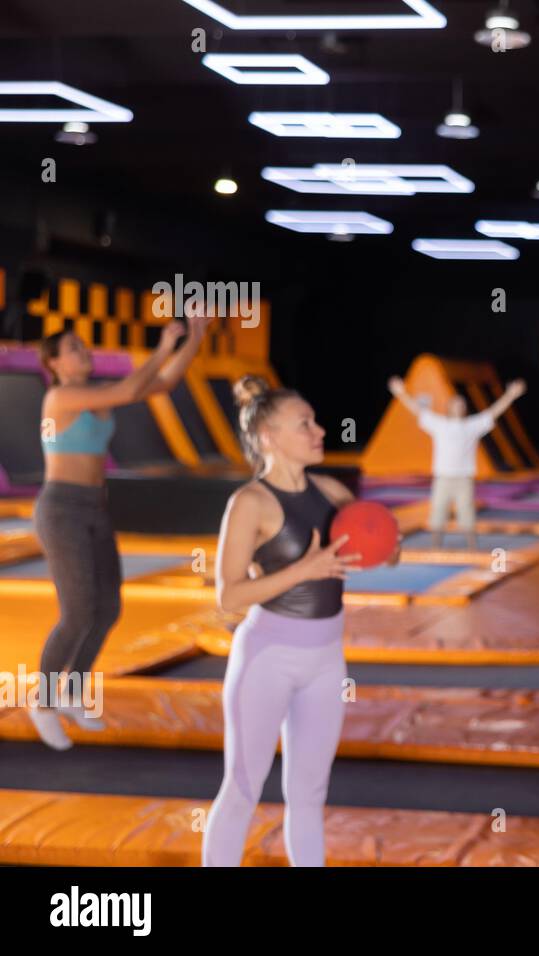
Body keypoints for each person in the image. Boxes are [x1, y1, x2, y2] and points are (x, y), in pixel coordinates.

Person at [203, 375, 397, 867]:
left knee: (309, 794)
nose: (319, 430)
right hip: (267, 657)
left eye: (315, 421)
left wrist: (387, 547)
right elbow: (228, 596)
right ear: (269, 437)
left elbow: (378, 549)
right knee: (243, 788)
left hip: (326, 660)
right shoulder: (249, 503)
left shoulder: (332, 490)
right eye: (305, 424)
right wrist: (302, 571)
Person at [29, 309, 209, 750]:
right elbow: (132, 386)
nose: (83, 352)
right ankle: (43, 700)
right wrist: (163, 345)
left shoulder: (95, 395)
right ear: (54, 364)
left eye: (83, 346)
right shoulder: (59, 399)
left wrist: (196, 336)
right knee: (76, 613)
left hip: (95, 507)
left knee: (107, 608)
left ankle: (72, 693)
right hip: (62, 509)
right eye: (74, 349)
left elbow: (162, 384)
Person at [386, 375, 526, 550]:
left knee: (467, 514)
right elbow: (417, 410)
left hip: (463, 478)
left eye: (462, 404)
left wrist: (510, 395)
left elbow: (493, 412)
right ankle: (435, 546)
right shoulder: (439, 424)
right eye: (456, 403)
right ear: (450, 407)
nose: (460, 406)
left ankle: (472, 546)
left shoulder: (472, 425)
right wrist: (401, 392)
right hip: (443, 477)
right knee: (438, 513)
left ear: (465, 408)